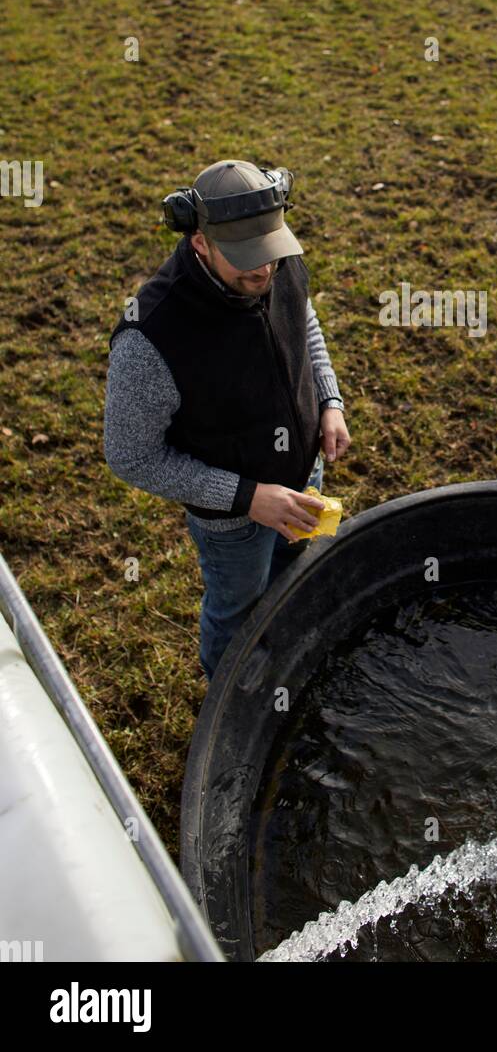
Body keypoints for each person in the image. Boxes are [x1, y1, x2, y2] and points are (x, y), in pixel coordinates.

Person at [103, 159, 350, 680]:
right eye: (245, 260)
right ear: (199, 242)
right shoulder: (152, 335)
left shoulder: (279, 265)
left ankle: (286, 660)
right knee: (236, 610)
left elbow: (303, 320)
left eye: (272, 254)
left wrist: (329, 400)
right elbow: (130, 456)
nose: (264, 272)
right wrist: (247, 498)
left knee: (295, 581)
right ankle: (231, 697)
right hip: (233, 523)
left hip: (304, 476)